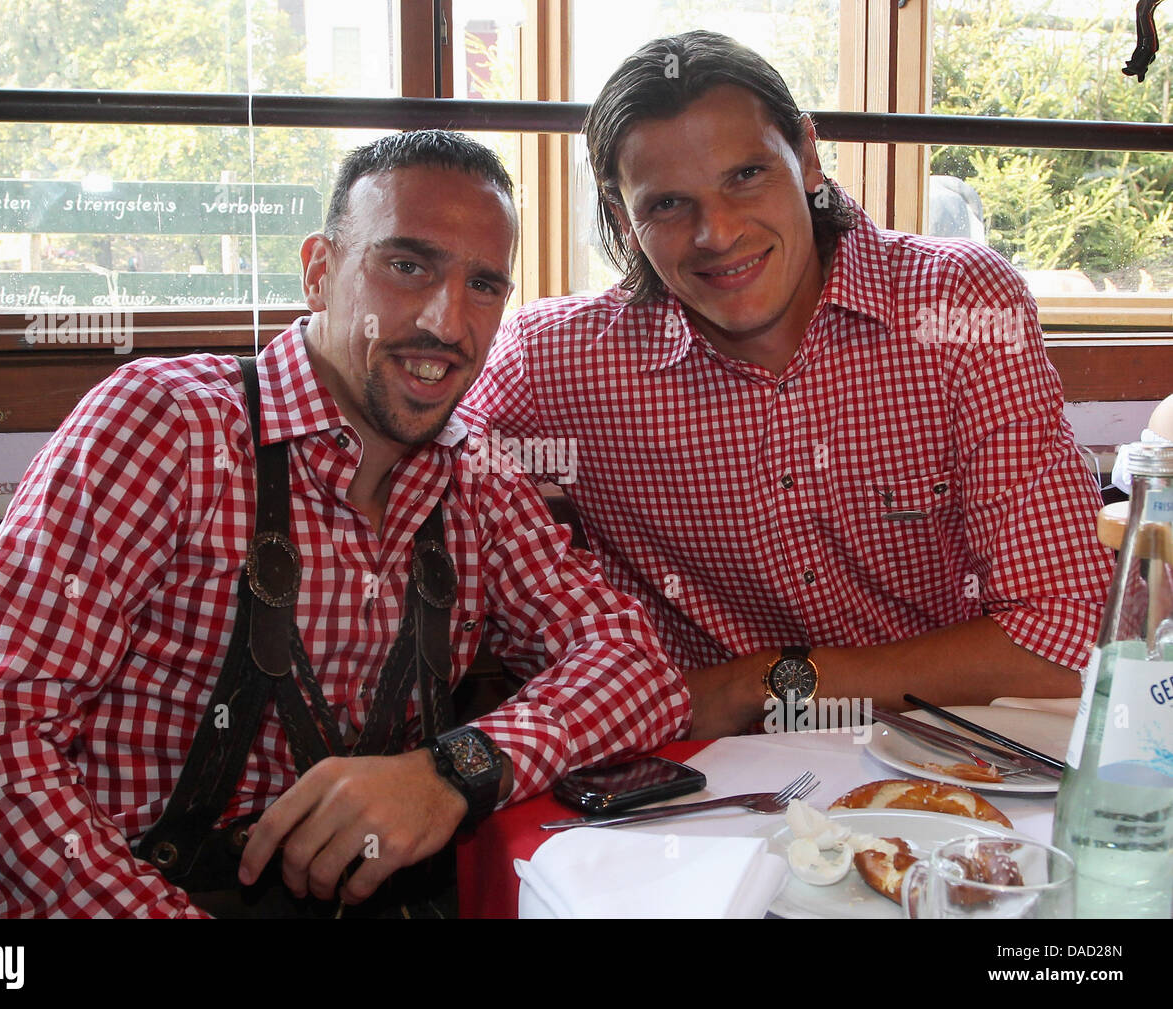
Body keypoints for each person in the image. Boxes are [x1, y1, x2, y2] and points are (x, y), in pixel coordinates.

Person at [0, 131, 691, 918]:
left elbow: (635, 667)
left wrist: (452, 770)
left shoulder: (473, 466)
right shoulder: (169, 423)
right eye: (407, 264)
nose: (446, 321)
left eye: (484, 284)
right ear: (320, 271)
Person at [462, 32, 1114, 739]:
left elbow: (1067, 636)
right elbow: (421, 475)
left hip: (955, 765)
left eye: (746, 175)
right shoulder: (553, 359)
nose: (717, 232)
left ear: (806, 156)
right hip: (700, 793)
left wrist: (765, 683)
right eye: (669, 205)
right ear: (623, 218)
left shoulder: (960, 303)